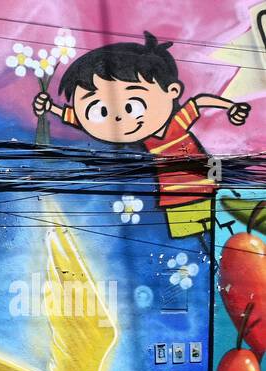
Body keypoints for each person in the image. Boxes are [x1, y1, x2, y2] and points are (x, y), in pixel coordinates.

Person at [33, 31, 251, 243]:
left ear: (172, 91)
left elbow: (200, 101)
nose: (118, 118)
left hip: (205, 187)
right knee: (201, 240)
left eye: (131, 105)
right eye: (101, 111)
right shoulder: (150, 138)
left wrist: (231, 106)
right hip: (174, 194)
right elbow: (79, 118)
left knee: (222, 234)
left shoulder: (177, 124)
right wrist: (52, 107)